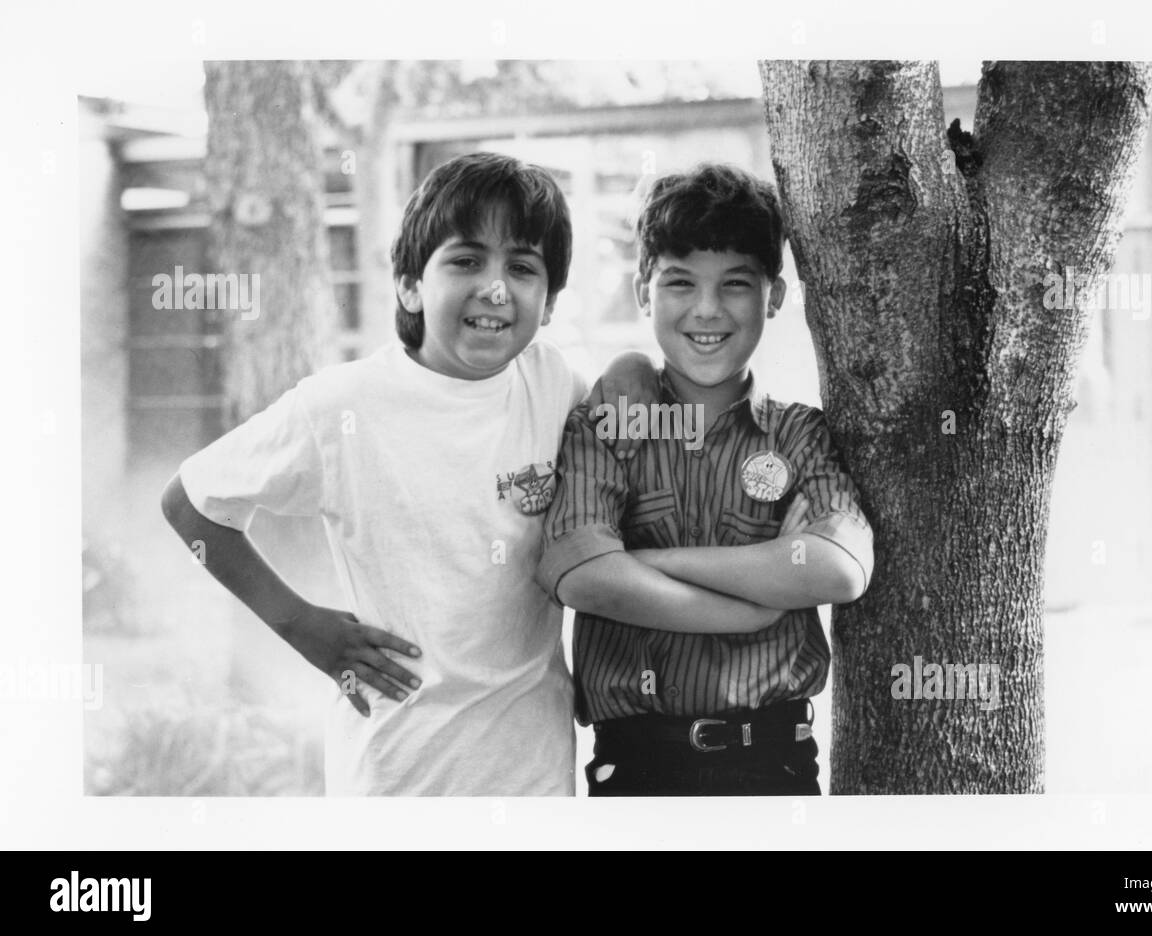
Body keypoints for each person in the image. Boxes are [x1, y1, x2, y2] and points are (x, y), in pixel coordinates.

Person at [161, 152, 654, 796]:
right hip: (396, 778)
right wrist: (301, 625)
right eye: (467, 260)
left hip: (533, 779)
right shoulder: (342, 404)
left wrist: (637, 367)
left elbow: (632, 410)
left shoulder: (552, 382)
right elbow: (191, 502)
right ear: (410, 285)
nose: (496, 288)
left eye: (522, 268)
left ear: (550, 301)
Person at [537, 163, 875, 796]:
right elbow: (578, 572)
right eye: (680, 282)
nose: (707, 309)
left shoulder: (799, 434)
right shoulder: (609, 422)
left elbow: (837, 568)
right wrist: (753, 604)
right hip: (635, 769)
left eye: (737, 284)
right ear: (644, 290)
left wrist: (647, 558)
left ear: (773, 295)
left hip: (774, 762)